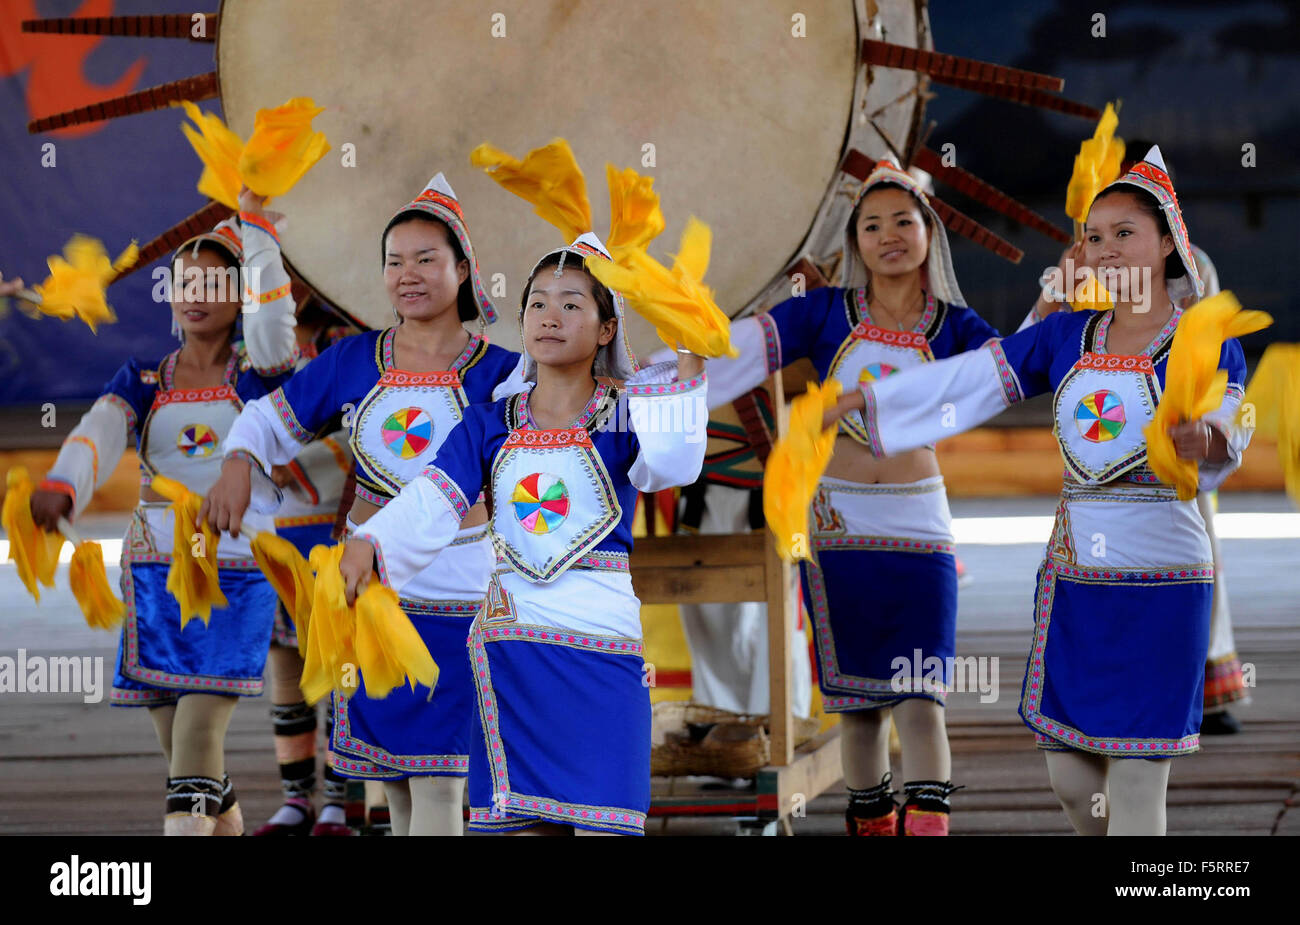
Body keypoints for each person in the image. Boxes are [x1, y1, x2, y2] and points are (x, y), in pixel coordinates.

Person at [821, 146, 1251, 835]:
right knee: (1073, 781)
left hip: (1165, 580)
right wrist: (862, 404)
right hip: (1078, 578)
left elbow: (1232, 413)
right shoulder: (1065, 334)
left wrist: (1212, 440)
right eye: (1093, 235)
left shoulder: (1202, 337)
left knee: (1139, 784)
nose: (1105, 249)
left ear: (1170, 241)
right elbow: (969, 379)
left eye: (1125, 233)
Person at [340, 217, 709, 835]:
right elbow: (433, 499)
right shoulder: (487, 423)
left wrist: (688, 343)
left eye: (571, 304)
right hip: (511, 651)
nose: (549, 315)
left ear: (607, 327)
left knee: (608, 823)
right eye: (537, 302)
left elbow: (674, 462)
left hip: (603, 649)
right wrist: (369, 544)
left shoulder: (627, 416)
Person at [203, 174, 517, 836]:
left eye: (427, 258)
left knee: (438, 782)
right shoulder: (354, 360)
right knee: (397, 786)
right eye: (395, 260)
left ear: (463, 270)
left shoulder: (505, 372)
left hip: (457, 597)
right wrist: (237, 460)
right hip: (366, 598)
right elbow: (267, 420)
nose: (409, 274)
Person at [699, 159, 1001, 835]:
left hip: (920, 527)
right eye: (871, 224)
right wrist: (683, 355)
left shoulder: (956, 325)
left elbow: (1008, 372)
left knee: (922, 694)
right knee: (859, 705)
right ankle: (870, 821)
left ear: (930, 233)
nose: (888, 235)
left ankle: (927, 824)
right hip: (837, 525)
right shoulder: (820, 313)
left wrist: (1057, 313)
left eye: (903, 220)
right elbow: (741, 351)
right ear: (854, 241)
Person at [28, 189, 299, 835]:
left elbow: (272, 329)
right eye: (185, 282)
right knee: (186, 753)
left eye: (214, 281)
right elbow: (98, 430)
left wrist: (258, 235)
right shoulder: (143, 380)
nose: (196, 292)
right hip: (153, 575)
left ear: (239, 297)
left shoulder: (259, 378)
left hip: (234, 572)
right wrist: (65, 483)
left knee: (199, 733)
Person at [250, 285, 358, 836]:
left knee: (340, 665)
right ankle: (297, 798)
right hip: (274, 532)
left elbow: (365, 423)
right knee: (286, 669)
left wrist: (300, 457)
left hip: (332, 524)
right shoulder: (253, 348)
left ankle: (338, 801)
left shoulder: (349, 341)